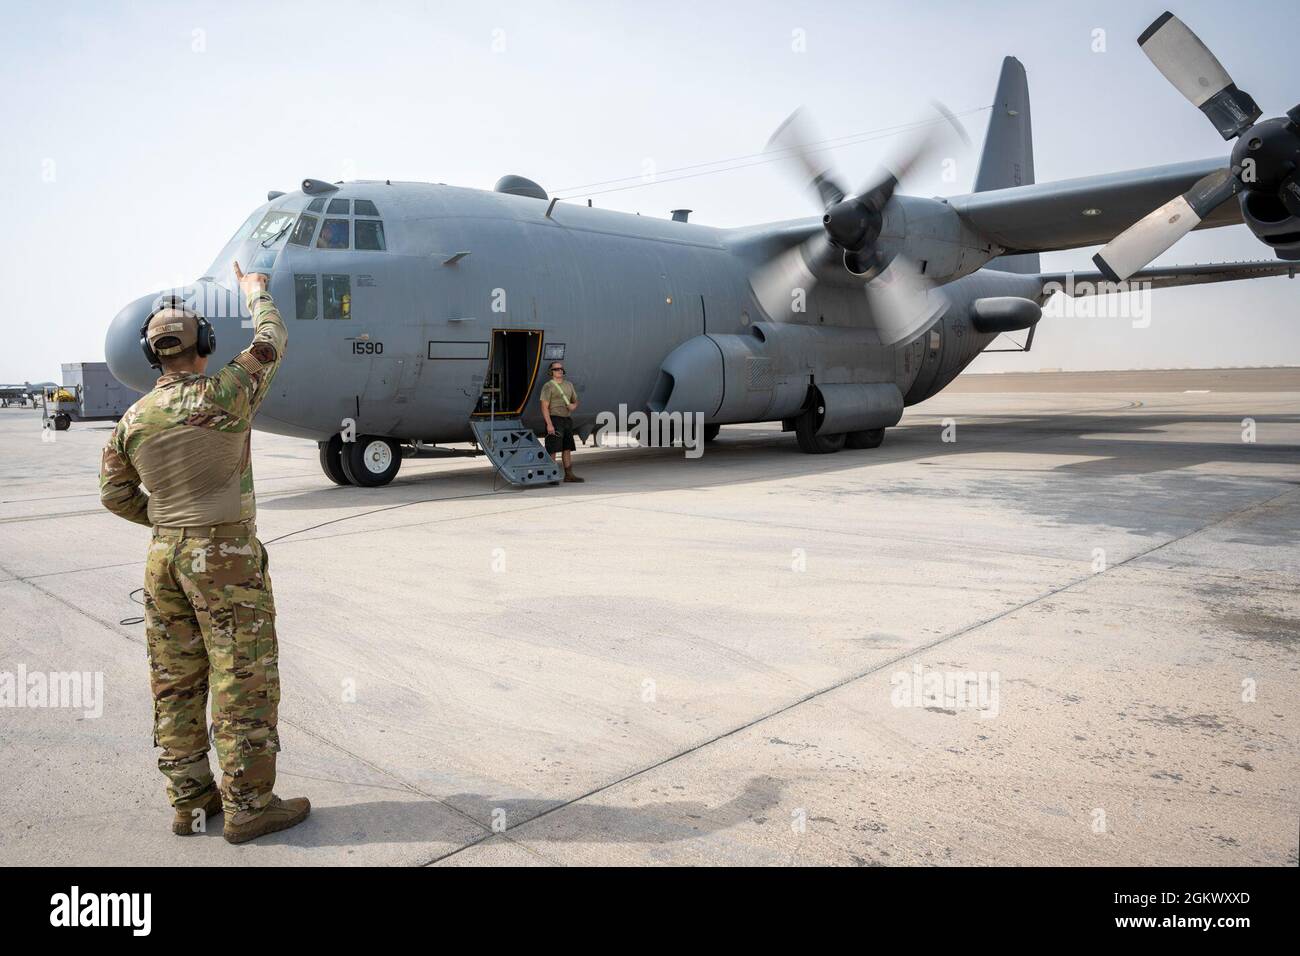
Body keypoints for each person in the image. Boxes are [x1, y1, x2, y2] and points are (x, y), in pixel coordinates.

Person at [98, 262, 309, 845]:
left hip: (162, 559)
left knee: (176, 681)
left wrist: (167, 523)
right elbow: (271, 341)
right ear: (205, 346)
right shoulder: (227, 391)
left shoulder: (133, 419)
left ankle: (192, 803)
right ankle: (249, 807)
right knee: (242, 680)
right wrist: (257, 292)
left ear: (152, 356)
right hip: (225, 559)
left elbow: (114, 494)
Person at [540, 361, 584, 482]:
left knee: (567, 448)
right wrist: (549, 424)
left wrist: (573, 406)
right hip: (554, 419)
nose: (560, 370)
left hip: (567, 419)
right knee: (552, 449)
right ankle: (551, 475)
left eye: (561, 368)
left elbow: (575, 401)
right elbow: (544, 407)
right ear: (551, 372)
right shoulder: (548, 386)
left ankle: (569, 475)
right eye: (556, 369)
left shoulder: (569, 385)